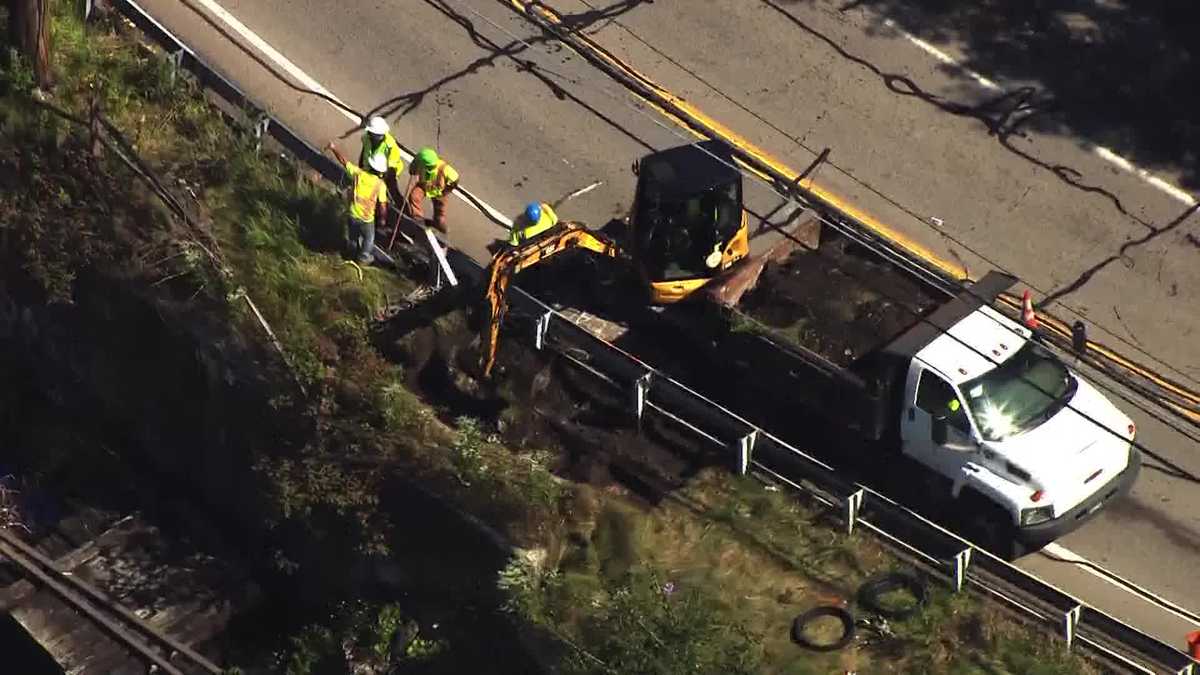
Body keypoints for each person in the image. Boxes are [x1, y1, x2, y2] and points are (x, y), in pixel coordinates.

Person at [326, 142, 389, 264]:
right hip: (366, 218)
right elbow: (382, 206)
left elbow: (344, 161)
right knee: (369, 238)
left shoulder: (358, 173)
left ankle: (350, 254)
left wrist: (333, 148)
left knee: (353, 237)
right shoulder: (380, 185)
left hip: (352, 213)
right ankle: (363, 258)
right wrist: (382, 219)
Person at [405, 147, 459, 235]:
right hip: (424, 186)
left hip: (439, 190)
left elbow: (455, 180)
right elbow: (412, 169)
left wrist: (445, 191)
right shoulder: (420, 159)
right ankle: (418, 219)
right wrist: (413, 170)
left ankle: (439, 222)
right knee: (414, 197)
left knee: (440, 208)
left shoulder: (444, 168)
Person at [359, 116, 404, 198]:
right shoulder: (366, 138)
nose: (369, 134)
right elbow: (364, 152)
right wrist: (361, 168)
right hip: (370, 167)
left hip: (388, 172)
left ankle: (404, 209)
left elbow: (391, 169)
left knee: (393, 192)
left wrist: (382, 181)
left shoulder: (390, 145)